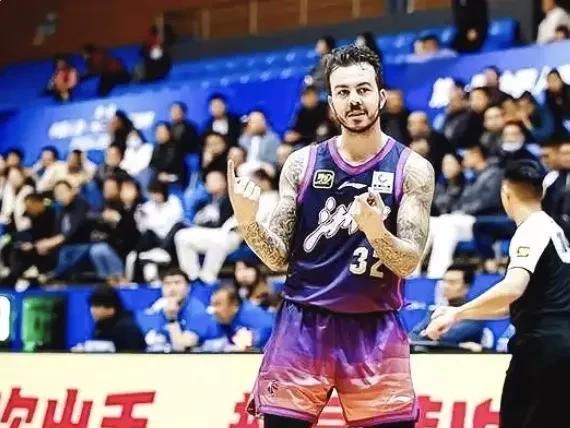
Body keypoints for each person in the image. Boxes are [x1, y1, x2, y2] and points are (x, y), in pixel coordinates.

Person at [228, 45, 434, 427]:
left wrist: (376, 231)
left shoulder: (412, 170)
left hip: (374, 328)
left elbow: (409, 262)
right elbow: (277, 258)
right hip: (302, 325)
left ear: (381, 97)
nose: (354, 100)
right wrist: (247, 221)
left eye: (363, 89)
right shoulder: (301, 164)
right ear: (331, 103)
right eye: (343, 91)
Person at [425, 159, 570, 427]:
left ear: (505, 193)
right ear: (542, 191)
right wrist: (459, 315)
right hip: (560, 349)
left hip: (540, 351)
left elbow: (513, 287)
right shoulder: (554, 229)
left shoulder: (532, 230)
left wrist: (456, 312)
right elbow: (512, 303)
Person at [136, 268, 212, 352]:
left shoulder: (198, 310)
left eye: (177, 283)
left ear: (188, 288)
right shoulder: (156, 308)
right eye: (167, 284)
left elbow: (181, 349)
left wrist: (172, 319)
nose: (172, 288)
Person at [410, 265, 485, 346]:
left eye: (452, 282)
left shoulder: (473, 315)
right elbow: (411, 337)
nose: (445, 286)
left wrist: (424, 334)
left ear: (466, 288)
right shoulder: (436, 312)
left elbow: (446, 339)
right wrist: (427, 335)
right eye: (444, 281)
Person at [200, 286, 274, 352]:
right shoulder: (218, 320)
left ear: (234, 305)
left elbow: (273, 329)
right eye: (212, 304)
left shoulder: (250, 313)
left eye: (218, 304)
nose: (213, 310)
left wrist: (254, 337)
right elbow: (206, 341)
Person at [74, 285, 146, 352]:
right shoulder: (101, 326)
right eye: (92, 306)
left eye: (96, 306)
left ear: (111, 308)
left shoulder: (126, 330)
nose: (92, 310)